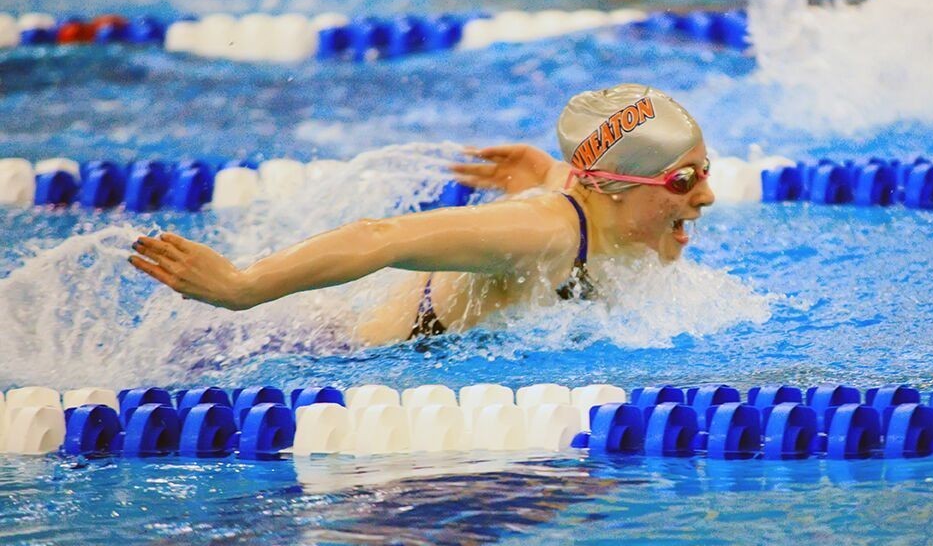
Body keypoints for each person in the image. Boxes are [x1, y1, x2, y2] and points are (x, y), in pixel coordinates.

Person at [130, 84, 715, 344]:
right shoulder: (540, 233)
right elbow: (381, 237)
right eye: (683, 180)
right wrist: (243, 285)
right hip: (323, 347)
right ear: (614, 187)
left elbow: (567, 176)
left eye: (705, 171)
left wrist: (539, 168)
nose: (707, 196)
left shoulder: (602, 198)